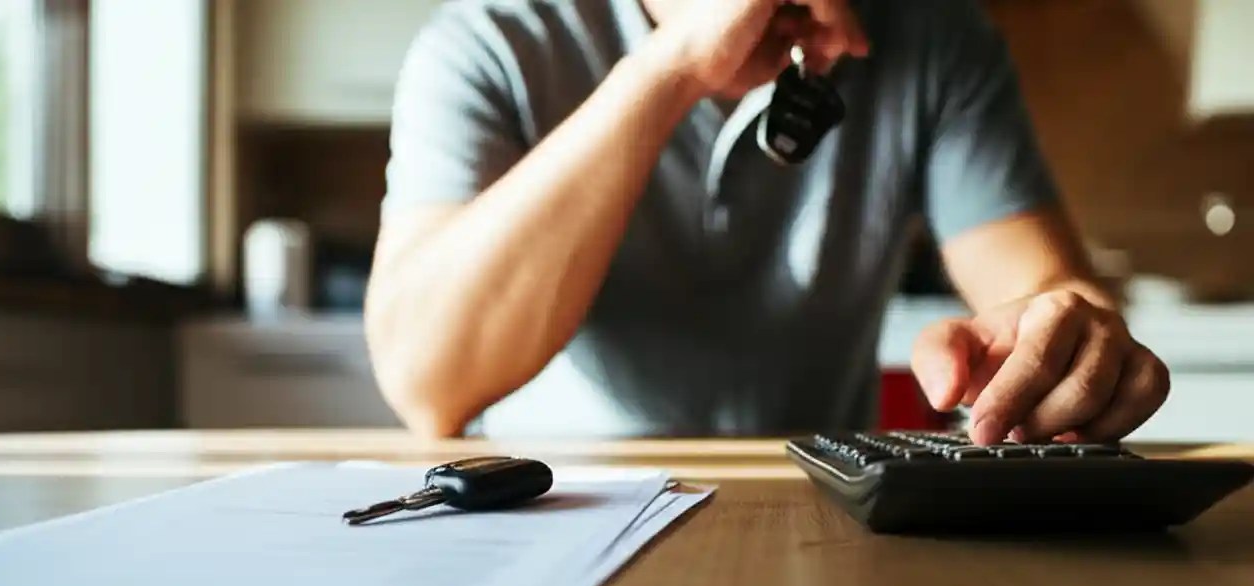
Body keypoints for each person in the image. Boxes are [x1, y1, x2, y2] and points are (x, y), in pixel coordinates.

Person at [365, 0, 1170, 442]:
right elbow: (429, 385)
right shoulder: (487, 41)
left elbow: (1041, 289)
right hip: (551, 519)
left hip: (814, 519)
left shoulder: (936, 39)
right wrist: (670, 70)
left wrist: (1065, 340)